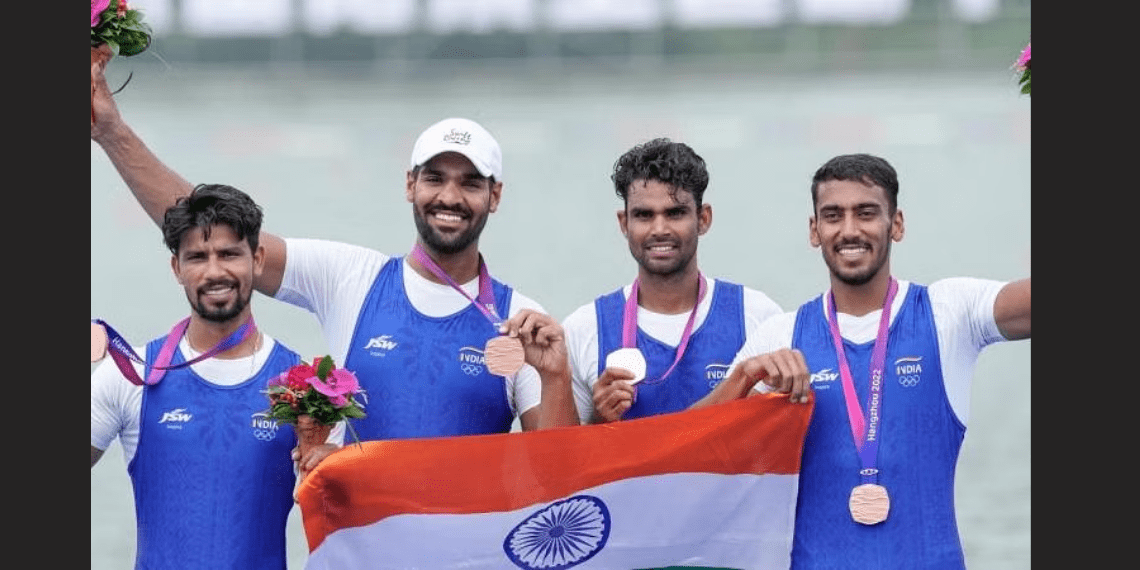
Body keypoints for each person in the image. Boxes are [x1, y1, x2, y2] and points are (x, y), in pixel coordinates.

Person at [89, 55, 579, 463]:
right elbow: (208, 229)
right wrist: (112, 131)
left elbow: (554, 477)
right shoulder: (351, 279)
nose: (449, 196)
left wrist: (555, 375)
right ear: (410, 185)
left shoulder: (520, 323)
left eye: (470, 183)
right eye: (435, 178)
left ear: (495, 196)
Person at [722, 153, 1031, 569]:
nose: (849, 230)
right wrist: (744, 378)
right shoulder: (780, 336)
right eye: (833, 215)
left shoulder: (948, 314)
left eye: (866, 213)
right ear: (815, 230)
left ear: (896, 224)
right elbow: (691, 449)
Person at [90, 183, 317, 569]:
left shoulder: (303, 388)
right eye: (197, 257)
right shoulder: (133, 374)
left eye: (229, 254)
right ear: (177, 268)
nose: (214, 272)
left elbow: (353, 515)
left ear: (258, 259)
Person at [562, 138, 799, 424]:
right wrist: (599, 420)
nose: (659, 229)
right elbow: (564, 462)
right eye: (644, 215)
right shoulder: (583, 329)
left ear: (703, 218)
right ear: (624, 223)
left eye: (675, 213)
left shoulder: (758, 317)